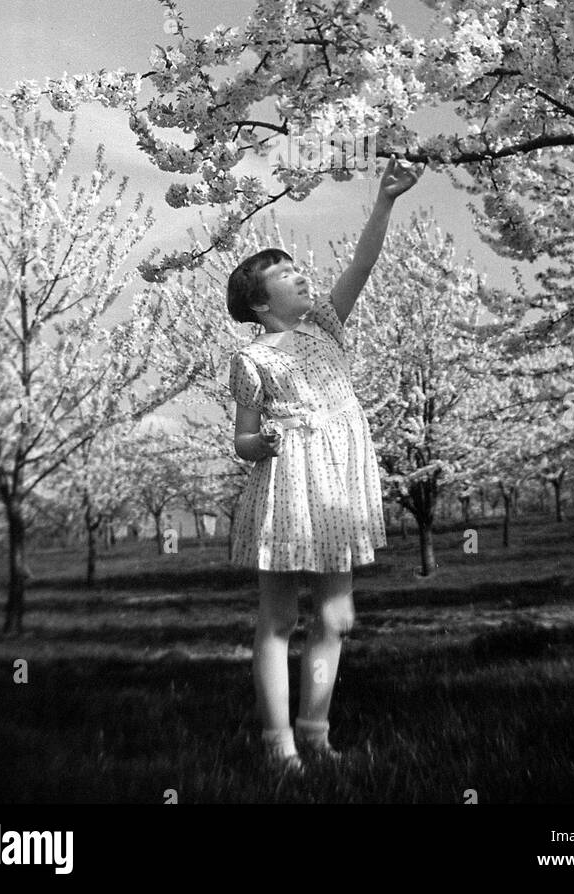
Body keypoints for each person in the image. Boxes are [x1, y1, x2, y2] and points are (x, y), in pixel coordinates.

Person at [226, 156, 425, 770]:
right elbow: (243, 437)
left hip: (340, 479)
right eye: (284, 275)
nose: (300, 276)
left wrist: (385, 201)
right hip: (288, 484)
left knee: (337, 617)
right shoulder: (252, 360)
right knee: (280, 617)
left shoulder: (328, 329)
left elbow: (362, 264)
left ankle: (316, 732)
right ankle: (278, 745)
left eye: (296, 267)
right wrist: (260, 447)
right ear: (260, 304)